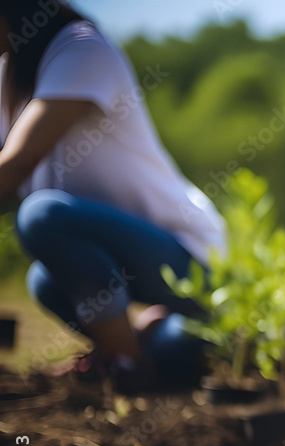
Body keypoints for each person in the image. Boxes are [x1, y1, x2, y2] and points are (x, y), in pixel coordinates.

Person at [1, 2, 225, 392]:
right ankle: (134, 348)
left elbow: (14, 165)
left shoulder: (81, 50)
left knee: (42, 217)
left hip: (191, 259)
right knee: (44, 279)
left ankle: (129, 365)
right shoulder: (11, 77)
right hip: (136, 268)